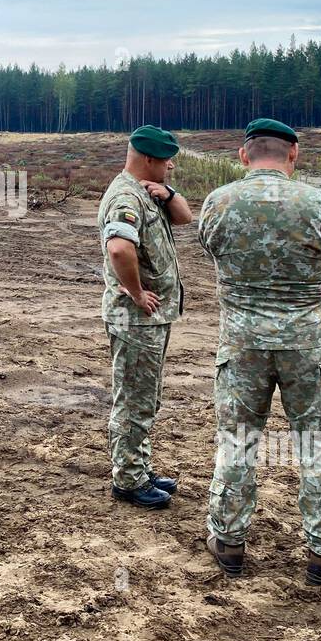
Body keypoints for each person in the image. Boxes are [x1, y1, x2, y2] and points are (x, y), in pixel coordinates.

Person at [196, 118, 321, 584]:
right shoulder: (319, 203)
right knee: (316, 443)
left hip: (242, 344)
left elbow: (213, 249)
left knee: (238, 440)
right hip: (306, 343)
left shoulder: (218, 203)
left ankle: (228, 541)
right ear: (293, 155)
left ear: (244, 156)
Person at [97, 125, 194, 509]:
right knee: (134, 398)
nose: (171, 166)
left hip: (150, 319)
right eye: (167, 160)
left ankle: (138, 466)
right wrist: (136, 292)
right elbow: (119, 249)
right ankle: (128, 480)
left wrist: (169, 194)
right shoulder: (125, 196)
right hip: (135, 318)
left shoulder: (147, 192)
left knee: (145, 396)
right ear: (149, 159)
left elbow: (185, 218)